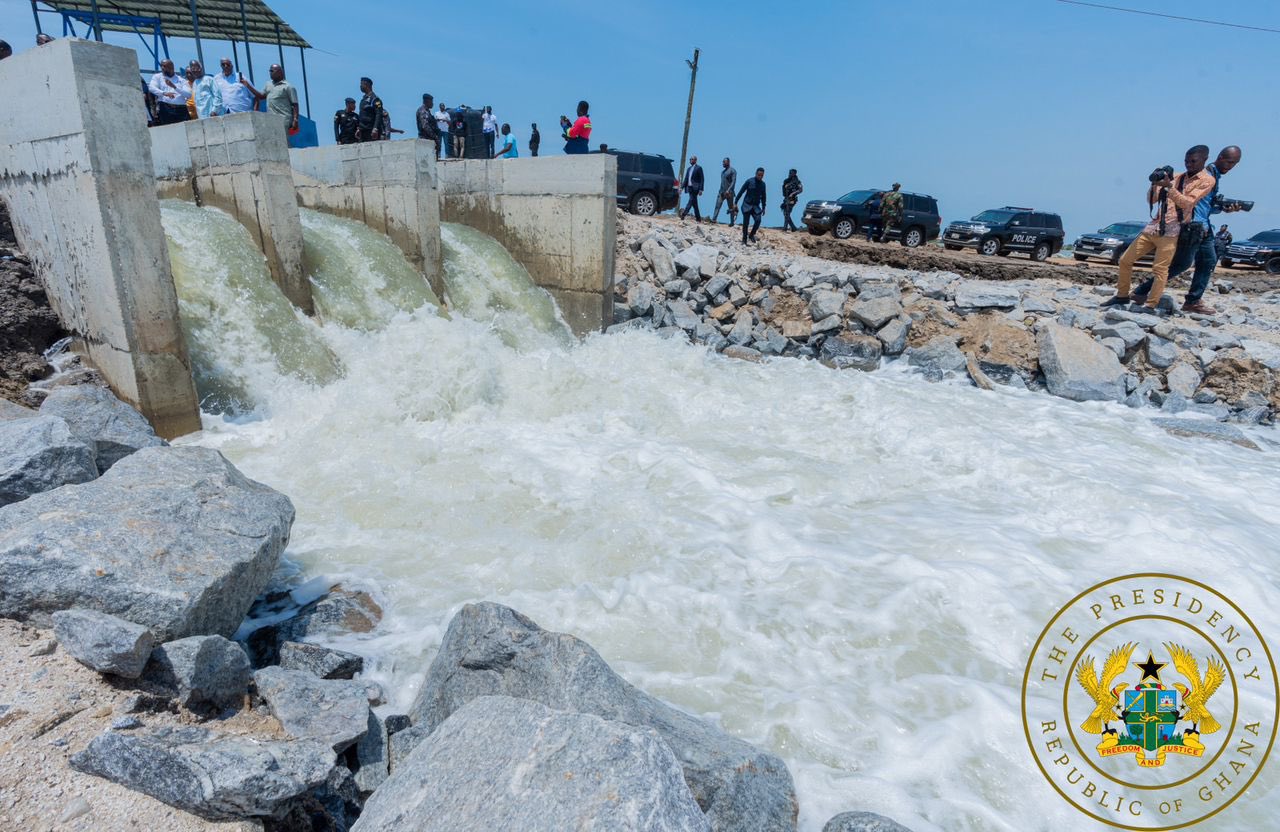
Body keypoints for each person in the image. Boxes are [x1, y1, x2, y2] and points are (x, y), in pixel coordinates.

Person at [1130, 146, 1244, 315]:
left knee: (1204, 262)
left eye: (1234, 163)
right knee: (1183, 264)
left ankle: (1190, 300)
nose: (1230, 166)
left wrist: (1224, 209)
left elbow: (1205, 206)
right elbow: (1191, 203)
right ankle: (1146, 293)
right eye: (1228, 162)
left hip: (1201, 226)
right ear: (1219, 157)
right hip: (1195, 227)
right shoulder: (1208, 176)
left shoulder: (1214, 176)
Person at [1104, 145, 1217, 312]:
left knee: (1160, 269)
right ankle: (1121, 295)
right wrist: (1155, 184)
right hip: (1153, 227)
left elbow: (1187, 203)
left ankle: (1151, 304)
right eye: (1186, 161)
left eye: (1193, 161)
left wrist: (1169, 187)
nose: (1189, 164)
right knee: (1125, 260)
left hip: (1173, 231)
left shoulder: (1207, 180)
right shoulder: (1176, 177)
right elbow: (1153, 199)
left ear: (1204, 160)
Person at [149, 59, 192, 125]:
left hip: (181, 110)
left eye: (165, 66)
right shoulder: (157, 77)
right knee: (168, 132)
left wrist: (175, 87)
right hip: (165, 109)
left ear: (172, 67)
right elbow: (151, 88)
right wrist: (164, 93)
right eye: (161, 66)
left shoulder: (182, 80)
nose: (162, 68)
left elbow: (188, 94)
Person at [261, 64, 299, 134]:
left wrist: (295, 120)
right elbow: (261, 96)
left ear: (279, 72)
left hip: (284, 119)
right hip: (271, 119)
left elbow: (295, 104)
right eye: (269, 71)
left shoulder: (288, 87)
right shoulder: (268, 84)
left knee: (283, 140)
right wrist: (248, 86)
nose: (270, 73)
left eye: (272, 71)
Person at [737, 167, 767, 245]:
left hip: (756, 207)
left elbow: (764, 197)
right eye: (759, 175)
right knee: (746, 223)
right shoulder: (749, 181)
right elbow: (741, 192)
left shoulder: (763, 185)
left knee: (758, 220)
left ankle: (751, 235)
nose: (760, 176)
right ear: (756, 174)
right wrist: (735, 202)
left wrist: (764, 207)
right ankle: (744, 240)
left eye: (762, 175)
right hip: (747, 205)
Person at [357, 77, 384, 142]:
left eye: (361, 84)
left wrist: (375, 128)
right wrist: (359, 128)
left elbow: (379, 114)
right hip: (363, 131)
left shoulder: (374, 99)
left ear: (367, 85)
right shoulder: (364, 99)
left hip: (371, 132)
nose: (360, 86)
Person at [712, 158, 737, 224]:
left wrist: (728, 190)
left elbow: (733, 182)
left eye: (724, 162)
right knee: (717, 206)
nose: (723, 163)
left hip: (729, 193)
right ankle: (714, 219)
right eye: (722, 162)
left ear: (728, 162)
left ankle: (732, 222)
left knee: (731, 208)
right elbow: (722, 183)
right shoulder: (722, 172)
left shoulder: (733, 171)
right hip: (721, 192)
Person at [679, 156, 704, 223]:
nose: (690, 160)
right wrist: (681, 188)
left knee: (691, 201)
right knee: (694, 204)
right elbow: (686, 179)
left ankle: (684, 214)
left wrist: (701, 189)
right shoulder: (689, 169)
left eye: (692, 159)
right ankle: (698, 218)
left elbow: (702, 179)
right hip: (689, 188)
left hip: (695, 188)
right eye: (690, 159)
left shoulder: (699, 168)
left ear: (695, 160)